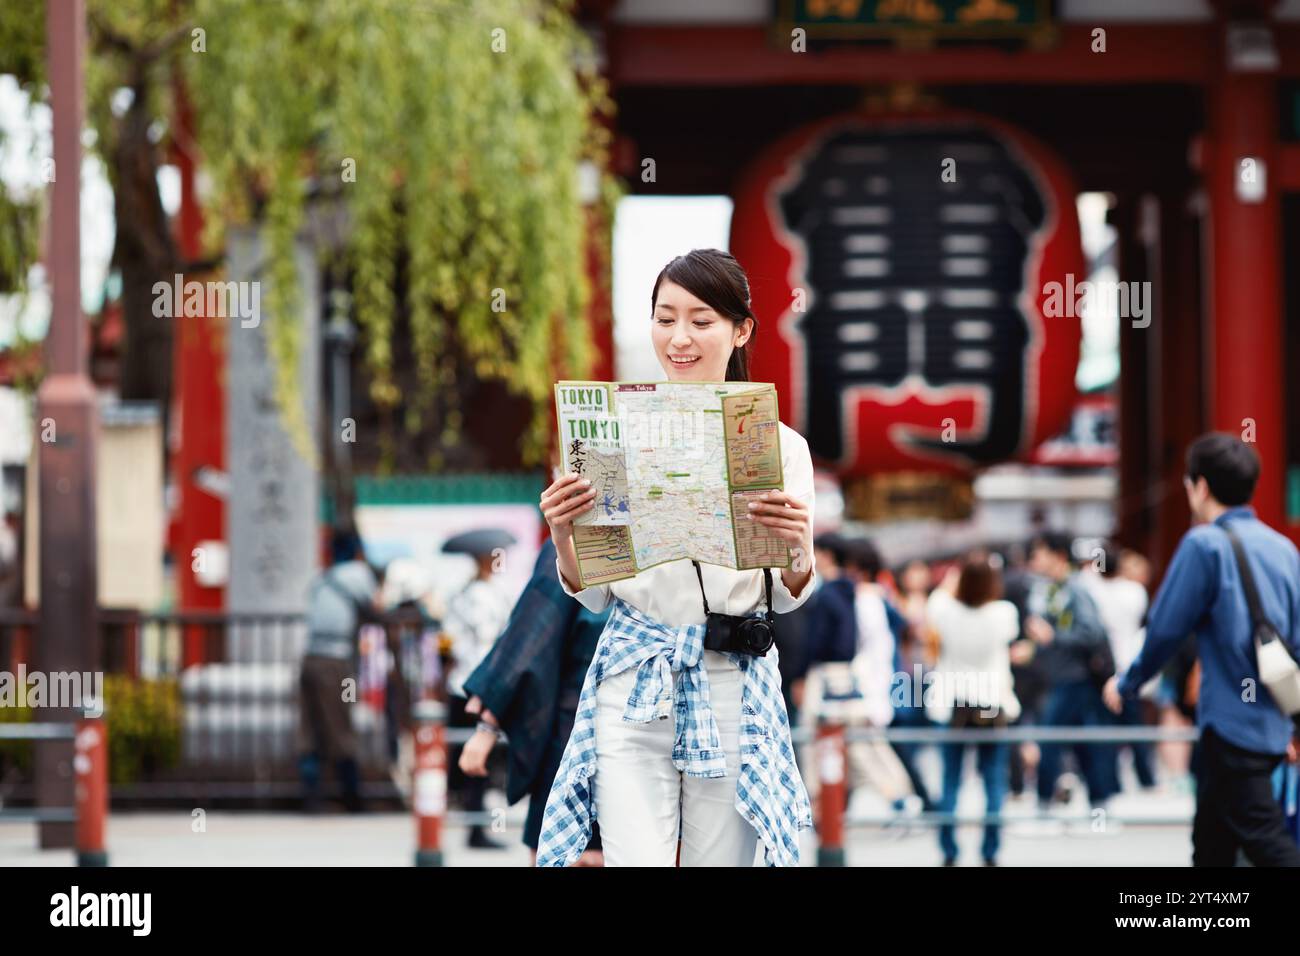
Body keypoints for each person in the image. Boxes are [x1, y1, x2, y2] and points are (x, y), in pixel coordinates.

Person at [536, 248, 817, 867]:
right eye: (664, 319)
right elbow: (595, 590)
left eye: (701, 319)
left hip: (732, 677)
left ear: (741, 329)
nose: (679, 338)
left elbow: (790, 589)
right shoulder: (606, 431)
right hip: (633, 673)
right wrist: (562, 536)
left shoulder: (780, 445)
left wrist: (799, 548)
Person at [1104, 432, 1300, 866]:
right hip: (1270, 722)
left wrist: (1128, 682)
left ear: (1202, 487)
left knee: (1265, 839)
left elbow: (1165, 629)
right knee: (1212, 843)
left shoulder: (1204, 544)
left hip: (1231, 722)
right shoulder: (1284, 549)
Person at [459, 536, 610, 865]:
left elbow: (532, 631)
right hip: (584, 729)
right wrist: (487, 725)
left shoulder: (577, 536)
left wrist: (487, 724)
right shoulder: (573, 538)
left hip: (600, 730)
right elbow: (532, 632)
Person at [926, 553, 1020, 866]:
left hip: (953, 703)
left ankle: (949, 850)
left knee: (950, 780)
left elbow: (935, 601)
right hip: (993, 702)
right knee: (993, 781)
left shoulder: (945, 610)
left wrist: (954, 581)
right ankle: (990, 851)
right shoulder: (1004, 613)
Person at [1025, 531, 1117, 813]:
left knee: (1051, 738)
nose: (1035, 560)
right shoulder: (1049, 588)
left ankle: (1043, 805)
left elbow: (1093, 632)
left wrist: (1054, 636)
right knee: (1082, 744)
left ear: (1058, 556)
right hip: (1062, 677)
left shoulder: (1075, 589)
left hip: (1075, 678)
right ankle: (1100, 806)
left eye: (1040, 553)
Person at [298, 529, 380, 813]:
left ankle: (311, 797)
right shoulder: (358, 573)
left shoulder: (321, 578)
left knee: (310, 729)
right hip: (338, 663)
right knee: (343, 723)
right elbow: (376, 606)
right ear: (357, 550)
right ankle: (352, 795)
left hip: (309, 660)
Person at [442, 541, 513, 849]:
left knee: (466, 756)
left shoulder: (459, 595)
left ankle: (474, 822)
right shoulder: (486, 596)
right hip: (481, 686)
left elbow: (446, 641)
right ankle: (476, 829)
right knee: (479, 758)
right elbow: (489, 642)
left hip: (459, 684)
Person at [1079, 541, 1156, 790]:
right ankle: (1146, 778)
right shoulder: (1135, 591)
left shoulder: (1093, 591)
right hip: (1129, 663)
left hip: (1103, 667)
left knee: (1105, 729)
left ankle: (1110, 782)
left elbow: (1085, 577)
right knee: (1135, 726)